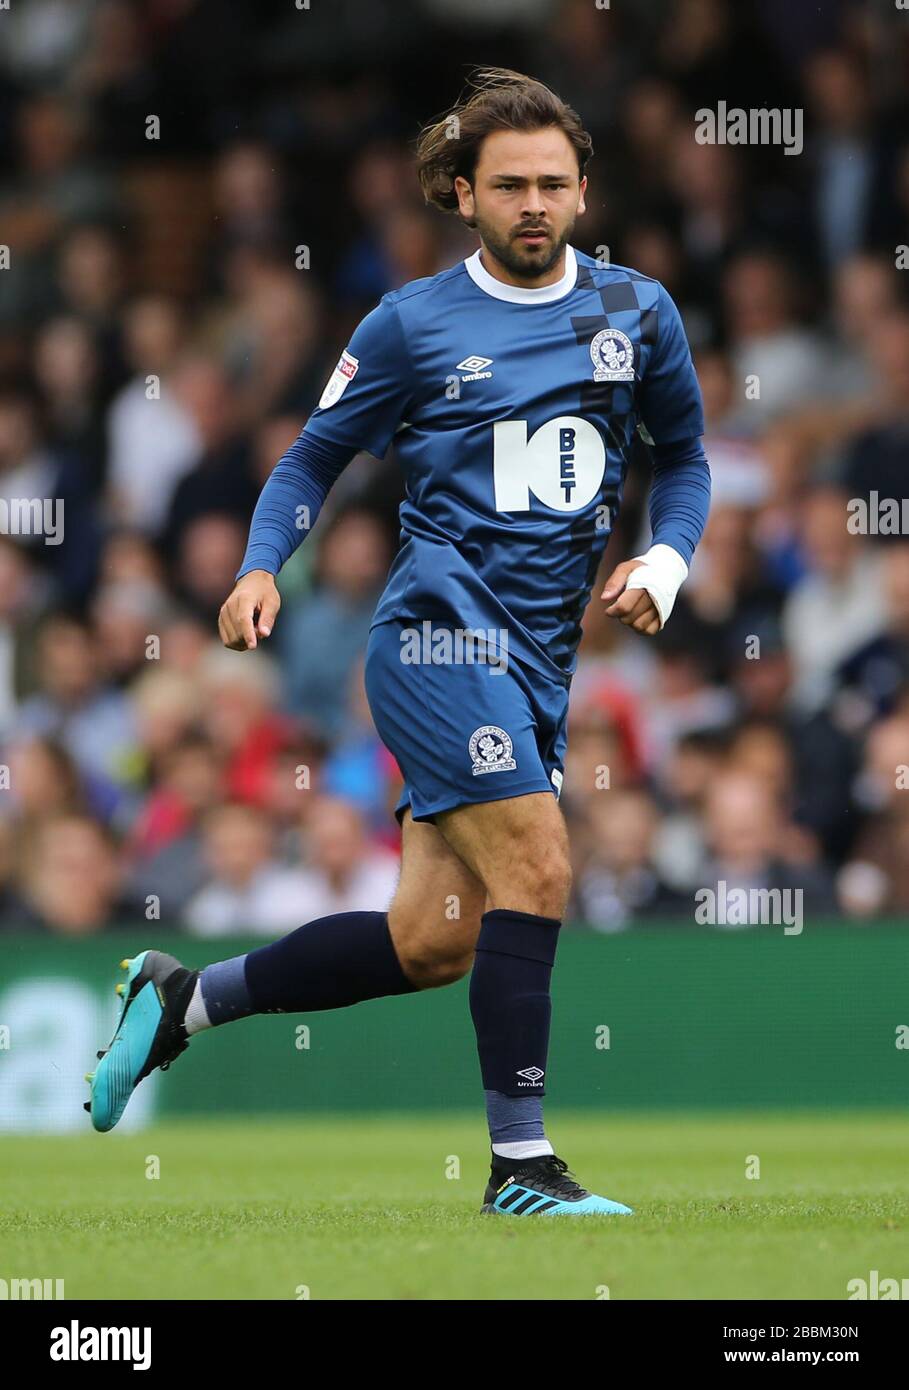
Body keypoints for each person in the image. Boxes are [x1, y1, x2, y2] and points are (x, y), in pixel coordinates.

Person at [87, 68, 710, 1217]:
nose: (534, 203)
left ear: (583, 192)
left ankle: (183, 1001)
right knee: (540, 864)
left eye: (555, 184)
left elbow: (688, 458)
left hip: (537, 665)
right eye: (511, 184)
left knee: (431, 942)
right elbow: (312, 458)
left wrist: (668, 560)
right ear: (464, 193)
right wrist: (262, 563)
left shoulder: (639, 313)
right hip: (433, 636)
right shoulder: (412, 323)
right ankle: (522, 1169)